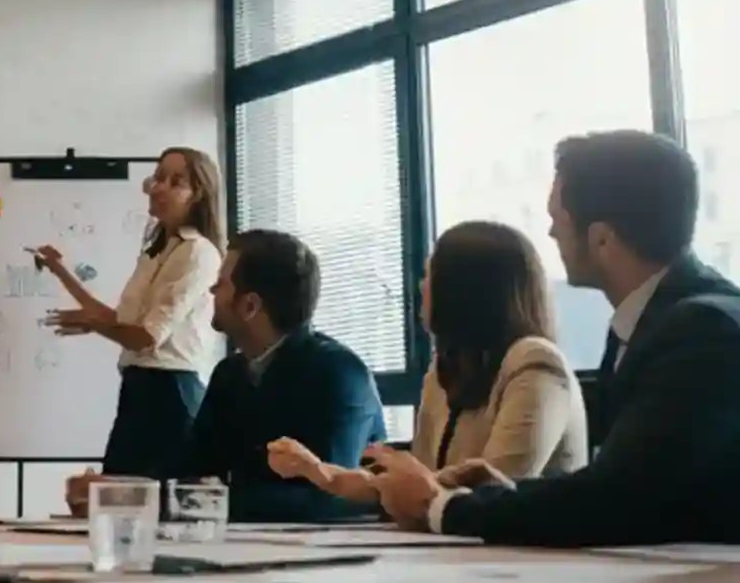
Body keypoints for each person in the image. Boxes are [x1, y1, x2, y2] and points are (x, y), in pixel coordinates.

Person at [370, 130, 740, 546]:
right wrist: (504, 495)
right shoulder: (658, 321)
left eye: (557, 219)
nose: (549, 234)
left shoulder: (702, 332)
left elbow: (617, 500)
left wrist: (440, 506)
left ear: (601, 238)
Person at [70, 230, 387, 522]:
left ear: (249, 305)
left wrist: (189, 503)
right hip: (248, 548)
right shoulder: (230, 374)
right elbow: (191, 472)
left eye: (221, 283)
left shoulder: (340, 375)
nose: (211, 290)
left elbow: (330, 498)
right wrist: (119, 493)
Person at [267, 221, 588, 504]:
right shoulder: (445, 370)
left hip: (531, 561)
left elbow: (493, 491)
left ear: (464, 290)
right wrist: (320, 472)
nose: (421, 286)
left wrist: (399, 478)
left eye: (429, 274)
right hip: (461, 553)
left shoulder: (535, 362)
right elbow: (417, 489)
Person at [32, 147, 224, 478]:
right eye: (159, 177)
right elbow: (119, 320)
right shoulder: (157, 250)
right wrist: (58, 269)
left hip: (169, 391)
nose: (159, 187)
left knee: (156, 506)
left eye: (176, 182)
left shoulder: (196, 252)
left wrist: (93, 323)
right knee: (120, 501)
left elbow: (147, 337)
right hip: (141, 389)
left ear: (198, 196)